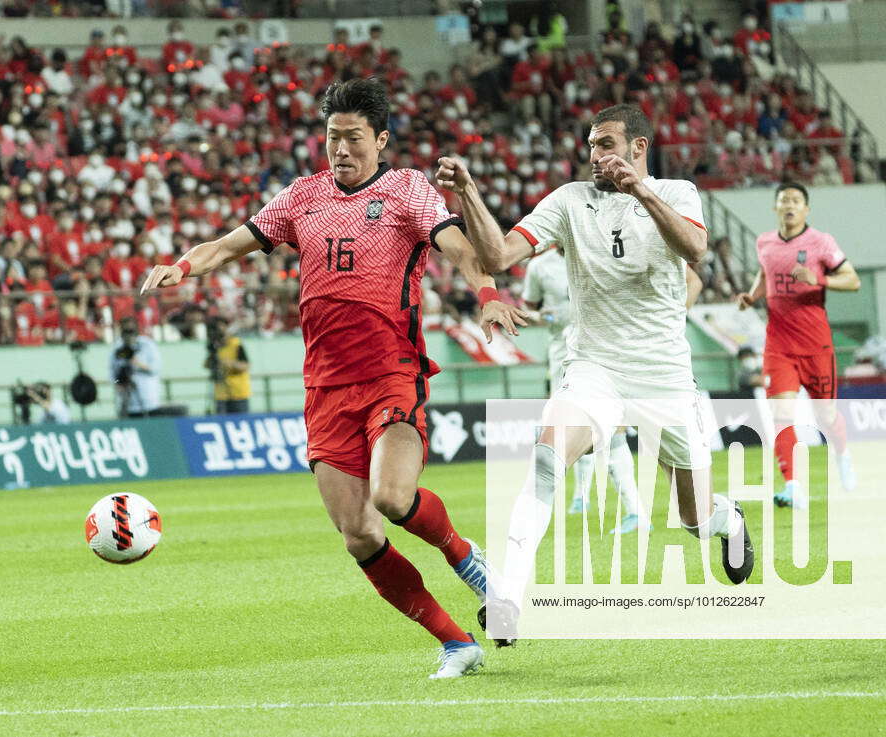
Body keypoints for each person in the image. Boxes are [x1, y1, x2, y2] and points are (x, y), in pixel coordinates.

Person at [143, 78, 528, 679]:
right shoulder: (303, 196)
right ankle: (457, 643)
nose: (341, 149)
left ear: (380, 139)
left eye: (353, 138)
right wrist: (183, 265)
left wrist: (485, 293)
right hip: (324, 390)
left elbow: (461, 248)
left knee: (393, 499)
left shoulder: (408, 190)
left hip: (390, 375)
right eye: (332, 138)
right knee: (359, 535)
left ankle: (471, 563)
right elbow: (230, 245)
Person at [437, 103, 756, 643]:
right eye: (591, 145)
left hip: (665, 376)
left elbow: (696, 248)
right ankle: (508, 596)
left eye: (606, 144)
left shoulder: (676, 192)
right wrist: (467, 194)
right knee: (544, 459)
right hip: (595, 370)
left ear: (638, 149)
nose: (595, 155)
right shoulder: (569, 200)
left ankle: (730, 521)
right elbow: (497, 257)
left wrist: (641, 192)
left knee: (694, 519)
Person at [735, 182, 861, 505]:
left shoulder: (821, 242)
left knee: (827, 415)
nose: (789, 205)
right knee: (781, 414)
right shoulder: (764, 242)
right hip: (778, 345)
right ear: (775, 207)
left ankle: (843, 454)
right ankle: (793, 486)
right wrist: (753, 296)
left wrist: (819, 279)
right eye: (784, 200)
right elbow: (765, 276)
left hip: (816, 345)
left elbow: (853, 280)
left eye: (796, 200)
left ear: (806, 210)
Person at [522, 247, 651, 534]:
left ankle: (635, 512)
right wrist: (544, 316)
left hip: (601, 349)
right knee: (579, 428)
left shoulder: (597, 250)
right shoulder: (540, 266)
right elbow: (530, 307)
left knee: (611, 426)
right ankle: (585, 495)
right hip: (562, 355)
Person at [109, 316, 162, 418]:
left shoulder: (147, 345)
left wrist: (138, 364)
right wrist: (118, 384)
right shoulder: (117, 348)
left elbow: (156, 368)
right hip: (128, 402)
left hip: (148, 400)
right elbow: (112, 373)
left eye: (131, 330)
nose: (129, 334)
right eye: (126, 330)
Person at [205, 318, 251, 414]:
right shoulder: (215, 347)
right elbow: (207, 365)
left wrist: (229, 363)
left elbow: (246, 365)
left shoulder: (236, 344)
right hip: (221, 394)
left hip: (238, 393)